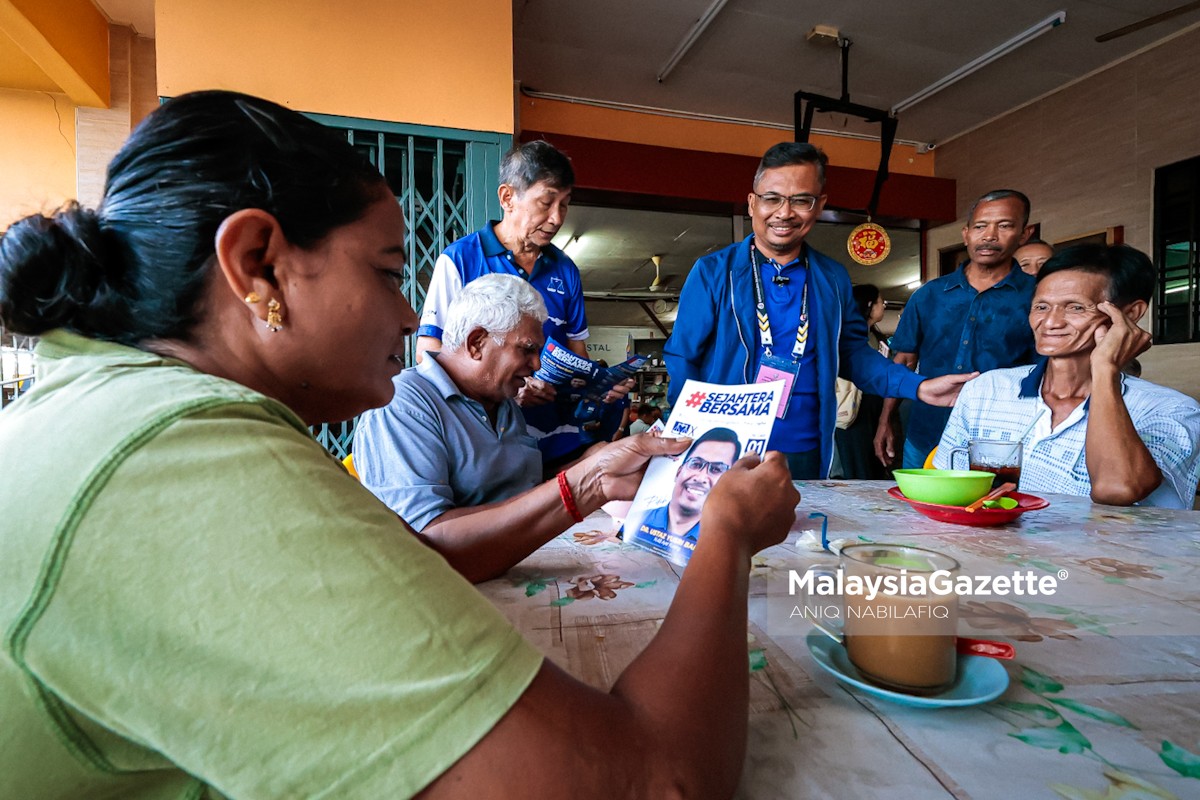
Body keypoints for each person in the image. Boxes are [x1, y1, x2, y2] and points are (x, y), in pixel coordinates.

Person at [0, 90, 801, 799]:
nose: (413, 317)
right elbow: (654, 784)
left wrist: (587, 482)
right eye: (388, 273)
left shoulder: (119, 409)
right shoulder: (186, 461)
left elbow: (422, 556)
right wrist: (726, 533)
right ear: (258, 267)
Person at [663, 141, 975, 479]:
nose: (784, 213)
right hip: (727, 448)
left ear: (820, 205)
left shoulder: (831, 277)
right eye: (772, 198)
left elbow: (853, 354)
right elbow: (683, 357)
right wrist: (690, 434)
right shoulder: (713, 272)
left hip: (806, 449)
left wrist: (917, 386)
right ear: (752, 203)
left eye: (801, 200)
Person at [415, 140, 628, 470]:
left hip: (555, 439)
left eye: (565, 205)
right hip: (485, 442)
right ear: (507, 198)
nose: (556, 218)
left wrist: (600, 386)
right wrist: (507, 392)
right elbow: (429, 353)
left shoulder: (565, 270)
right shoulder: (460, 260)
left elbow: (578, 354)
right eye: (546, 202)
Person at [934, 244, 1200, 508]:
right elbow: (947, 491)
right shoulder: (985, 390)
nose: (1051, 322)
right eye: (1041, 307)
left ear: (1129, 314)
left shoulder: (1173, 411)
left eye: (1075, 308)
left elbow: (1118, 489)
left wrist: (1105, 369)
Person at [353, 274, 547, 531]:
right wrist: (570, 490)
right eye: (527, 349)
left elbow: (522, 490)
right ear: (476, 343)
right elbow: (426, 533)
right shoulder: (403, 405)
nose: (537, 364)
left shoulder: (502, 400)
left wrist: (588, 466)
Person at [876, 189, 1040, 470]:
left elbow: (1045, 371)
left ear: (1024, 234)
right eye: (980, 227)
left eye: (1004, 226)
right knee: (916, 499)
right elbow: (903, 360)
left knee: (993, 500)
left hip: (999, 441)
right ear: (966, 234)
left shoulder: (1037, 298)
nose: (989, 236)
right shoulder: (929, 295)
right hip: (927, 431)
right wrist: (885, 419)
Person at [640, 427, 741, 540]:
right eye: (696, 464)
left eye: (716, 469)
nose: (701, 477)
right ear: (678, 472)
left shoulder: (722, 543)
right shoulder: (635, 522)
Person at [834, 284, 889, 479]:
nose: (884, 305)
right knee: (856, 459)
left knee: (870, 457)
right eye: (881, 301)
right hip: (854, 406)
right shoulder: (847, 336)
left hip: (873, 405)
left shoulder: (874, 335)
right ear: (869, 305)